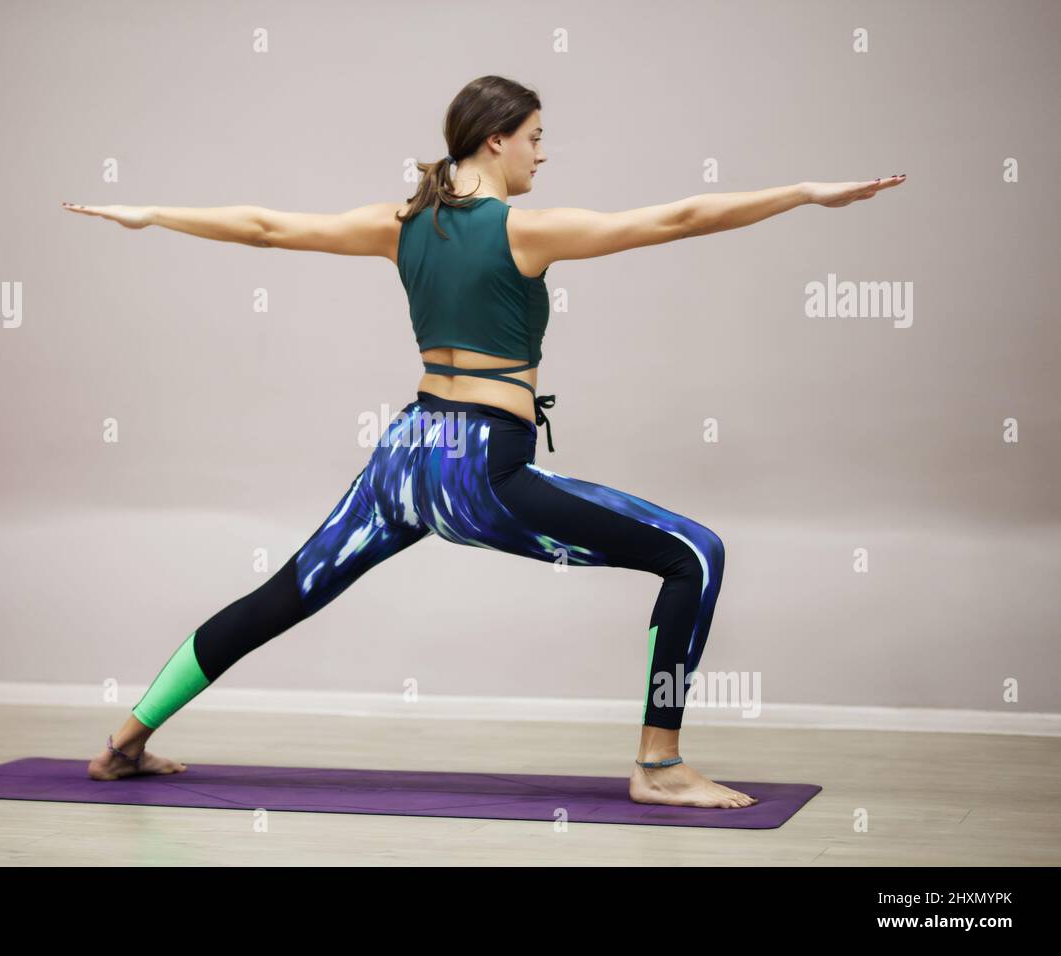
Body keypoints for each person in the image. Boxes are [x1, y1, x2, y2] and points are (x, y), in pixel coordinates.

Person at [64, 75, 905, 809]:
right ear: (496, 141)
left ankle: (124, 741)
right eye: (535, 139)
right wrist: (801, 191)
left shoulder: (401, 222)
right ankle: (660, 763)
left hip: (403, 458)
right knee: (696, 552)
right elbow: (680, 217)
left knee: (286, 594)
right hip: (477, 468)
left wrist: (150, 214)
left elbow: (265, 228)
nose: (543, 156)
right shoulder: (521, 229)